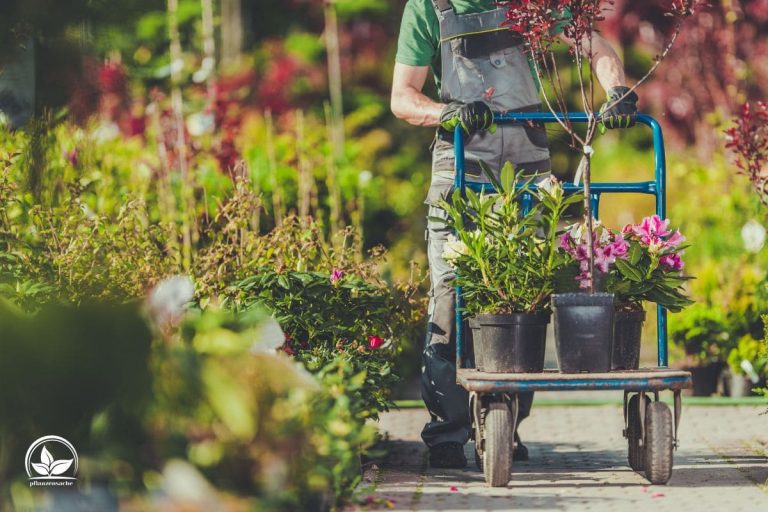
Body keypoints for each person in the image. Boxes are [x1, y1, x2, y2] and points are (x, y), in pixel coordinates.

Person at [390, 0, 638, 469]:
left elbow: (593, 44)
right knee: (449, 296)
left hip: (527, 171)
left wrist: (617, 90)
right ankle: (447, 432)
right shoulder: (428, 7)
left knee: (524, 295)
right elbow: (402, 96)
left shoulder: (532, 3)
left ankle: (508, 417)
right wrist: (448, 111)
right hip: (460, 168)